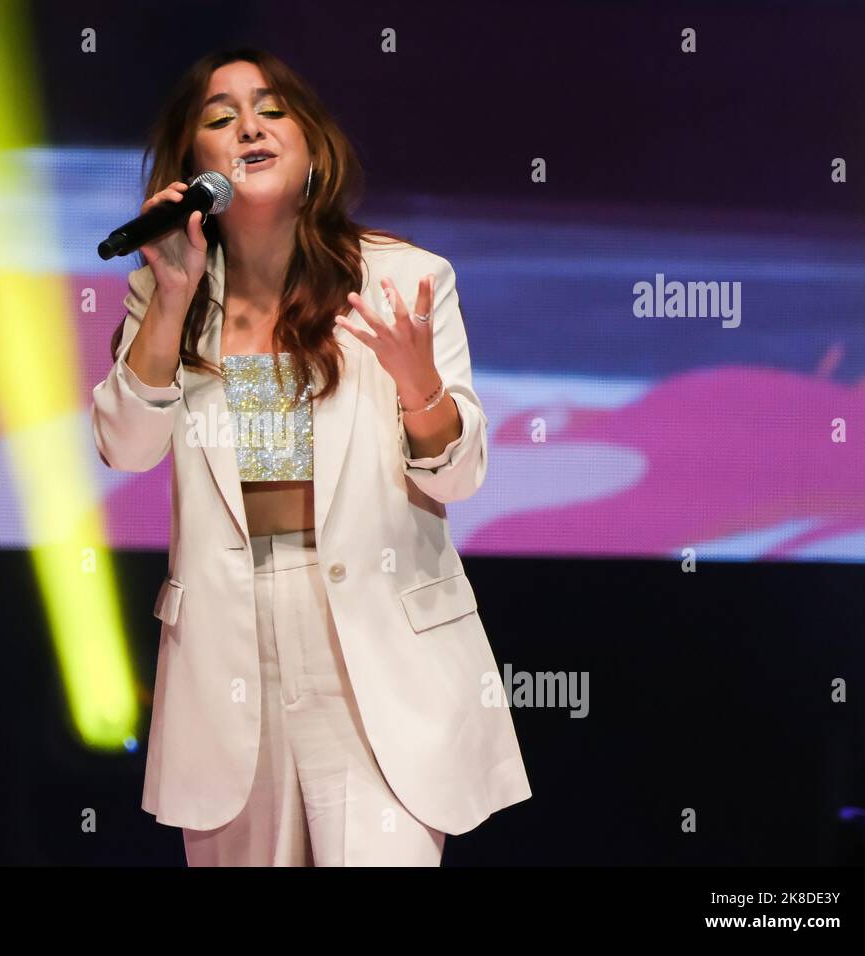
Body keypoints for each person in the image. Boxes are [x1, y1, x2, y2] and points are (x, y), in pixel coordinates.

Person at [91, 48, 531, 866]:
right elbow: (124, 444)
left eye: (269, 109)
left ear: (312, 145)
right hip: (231, 662)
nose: (248, 126)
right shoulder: (171, 292)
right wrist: (174, 298)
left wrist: (416, 381)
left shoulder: (402, 277)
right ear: (195, 171)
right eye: (220, 118)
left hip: (371, 657)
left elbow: (459, 474)